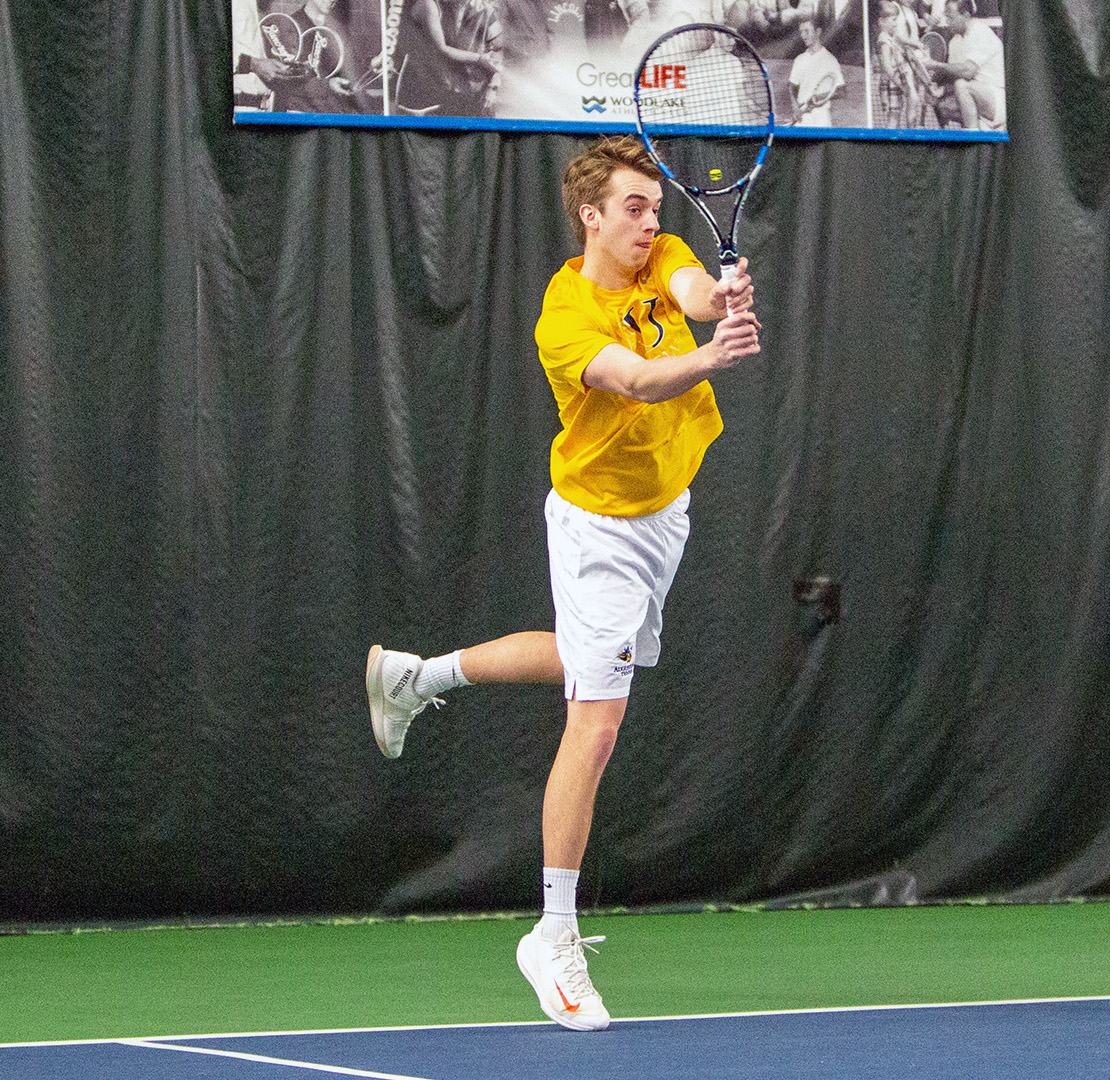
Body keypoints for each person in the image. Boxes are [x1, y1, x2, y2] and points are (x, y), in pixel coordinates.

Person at [365, 135, 759, 1032]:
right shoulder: (564, 315)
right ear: (591, 213)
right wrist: (711, 358)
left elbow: (695, 293)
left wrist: (721, 300)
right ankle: (553, 932)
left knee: (586, 662)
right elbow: (637, 380)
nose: (649, 222)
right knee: (600, 716)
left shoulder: (661, 253)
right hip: (600, 533)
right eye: (632, 208)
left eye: (656, 209)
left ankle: (417, 678)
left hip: (667, 513)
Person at [927, 0, 1002, 130]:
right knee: (943, 106)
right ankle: (977, 129)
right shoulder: (954, 42)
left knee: (962, 85)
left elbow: (967, 72)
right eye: (946, 17)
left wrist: (934, 65)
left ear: (966, 15)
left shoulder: (980, 32)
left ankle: (973, 138)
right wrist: (941, 90)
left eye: (950, 18)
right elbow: (957, 77)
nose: (946, 22)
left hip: (998, 100)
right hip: (976, 99)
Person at [786, 16, 843, 126]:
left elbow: (841, 90)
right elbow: (792, 86)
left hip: (822, 118)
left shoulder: (830, 60)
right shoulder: (799, 60)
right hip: (803, 118)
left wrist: (819, 97)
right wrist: (795, 106)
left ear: (818, 32)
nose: (803, 36)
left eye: (807, 31)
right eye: (801, 32)